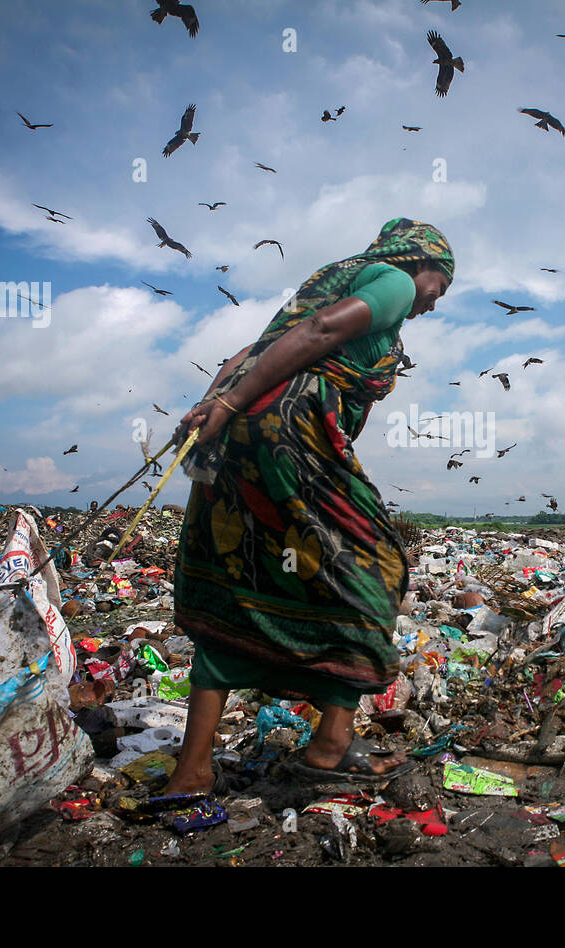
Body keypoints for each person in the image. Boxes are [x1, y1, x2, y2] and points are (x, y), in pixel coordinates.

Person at [163, 218, 455, 795]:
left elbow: (254, 351)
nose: (432, 302)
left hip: (243, 436)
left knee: (238, 577)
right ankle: (329, 746)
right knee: (375, 569)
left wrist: (213, 406)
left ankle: (191, 771)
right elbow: (321, 332)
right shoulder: (393, 282)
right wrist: (228, 402)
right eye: (439, 286)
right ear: (419, 261)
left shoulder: (333, 278)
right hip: (288, 431)